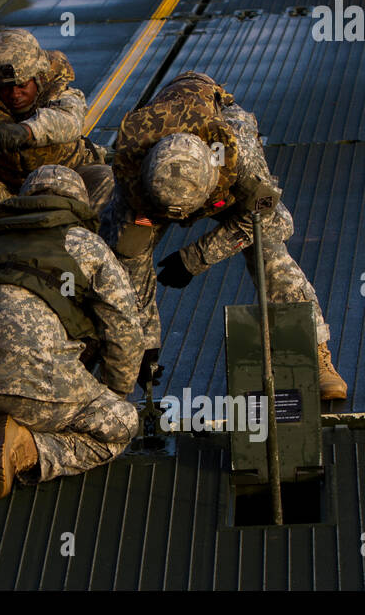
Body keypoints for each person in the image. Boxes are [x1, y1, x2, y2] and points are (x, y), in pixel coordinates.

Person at [101, 72, 347, 400]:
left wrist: (194, 258)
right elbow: (130, 264)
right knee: (123, 261)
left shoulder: (237, 152)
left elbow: (273, 221)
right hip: (156, 191)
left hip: (222, 175)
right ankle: (125, 364)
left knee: (269, 250)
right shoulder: (133, 174)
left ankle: (315, 353)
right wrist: (143, 344)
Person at [0, 165, 144, 500]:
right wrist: (115, 392)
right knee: (121, 424)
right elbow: (124, 327)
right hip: (33, 380)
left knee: (19, 389)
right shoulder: (86, 244)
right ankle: (28, 448)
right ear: (78, 202)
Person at [0, 29, 110, 269]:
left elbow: (69, 120)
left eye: (22, 85)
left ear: (37, 77)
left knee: (108, 181)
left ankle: (98, 267)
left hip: (68, 177)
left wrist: (27, 131)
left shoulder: (59, 92)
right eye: (6, 87)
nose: (14, 94)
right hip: (7, 184)